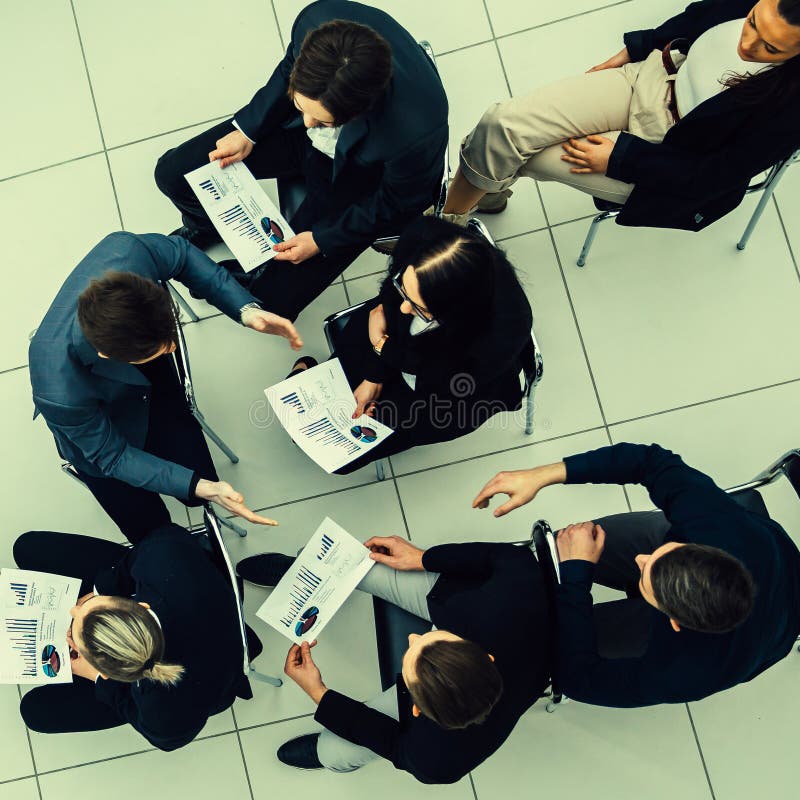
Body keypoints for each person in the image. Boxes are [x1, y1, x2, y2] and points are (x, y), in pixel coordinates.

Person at [154, 0, 448, 321]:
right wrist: (249, 130)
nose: (309, 122)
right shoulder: (317, 20)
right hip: (292, 139)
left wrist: (322, 239)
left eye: (322, 120)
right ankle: (206, 227)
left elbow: (396, 203)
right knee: (172, 173)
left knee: (270, 303)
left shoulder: (415, 133)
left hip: (355, 182)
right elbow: (287, 71)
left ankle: (225, 274)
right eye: (304, 107)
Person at [473, 442, 800, 707]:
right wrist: (542, 475)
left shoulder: (688, 670)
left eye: (645, 574)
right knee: (568, 544)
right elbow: (651, 461)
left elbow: (580, 678)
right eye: (660, 555)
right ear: (704, 548)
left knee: (553, 641)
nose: (641, 559)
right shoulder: (716, 523)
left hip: (769, 629)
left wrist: (576, 576)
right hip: (763, 550)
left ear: (673, 622)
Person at [29, 231, 302, 543]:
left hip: (146, 385)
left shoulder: (127, 251)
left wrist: (245, 310)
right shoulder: (58, 392)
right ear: (108, 355)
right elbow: (114, 456)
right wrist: (200, 487)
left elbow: (182, 255)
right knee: (152, 530)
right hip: (99, 442)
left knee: (200, 486)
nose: (174, 348)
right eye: (159, 348)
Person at [443, 0, 800, 232]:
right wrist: (635, 49)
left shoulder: (791, 107)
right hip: (654, 79)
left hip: (666, 156)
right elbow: (699, 17)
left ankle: (454, 216)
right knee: (500, 126)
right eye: (752, 22)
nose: (747, 44)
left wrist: (621, 159)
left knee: (529, 155)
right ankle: (452, 220)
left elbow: (712, 176)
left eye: (771, 48)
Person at [235, 534, 550, 784]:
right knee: (349, 559)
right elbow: (508, 557)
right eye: (434, 640)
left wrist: (319, 693)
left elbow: (394, 745)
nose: (413, 637)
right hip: (461, 608)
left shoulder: (438, 761)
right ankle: (301, 573)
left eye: (409, 657)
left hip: (466, 636)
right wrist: (423, 558)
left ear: (416, 707)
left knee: (333, 752)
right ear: (485, 656)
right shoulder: (513, 597)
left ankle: (325, 752)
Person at [286, 216, 534, 474]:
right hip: (388, 336)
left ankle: (308, 374)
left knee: (340, 457)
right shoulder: (422, 238)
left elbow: (444, 382)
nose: (406, 307)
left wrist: (382, 346)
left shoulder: (500, 334)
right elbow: (391, 300)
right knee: (315, 412)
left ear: (455, 313)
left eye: (419, 307)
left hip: (439, 393)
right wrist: (374, 373)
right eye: (405, 290)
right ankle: (312, 377)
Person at [14, 523, 257, 751]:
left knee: (36, 712)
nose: (73, 609)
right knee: (27, 548)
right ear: (140, 605)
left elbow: (166, 740)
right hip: (198, 602)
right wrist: (98, 591)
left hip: (211, 669)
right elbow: (152, 546)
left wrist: (97, 678)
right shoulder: (163, 556)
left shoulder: (162, 714)